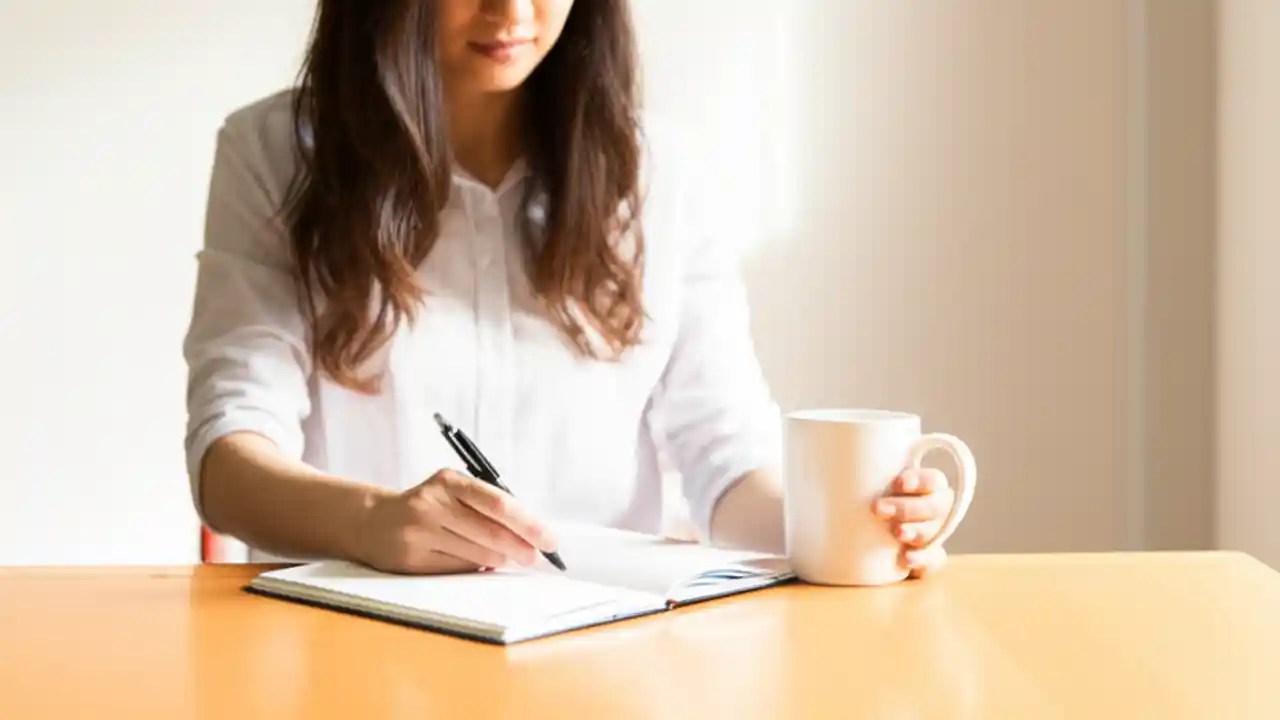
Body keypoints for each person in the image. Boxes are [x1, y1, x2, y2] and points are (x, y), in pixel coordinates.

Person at [185, 0, 956, 576]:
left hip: (600, 646)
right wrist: (371, 522)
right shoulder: (276, 155)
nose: (514, 12)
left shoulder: (661, 175)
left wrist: (856, 528)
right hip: (349, 646)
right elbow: (228, 459)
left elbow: (726, 464)